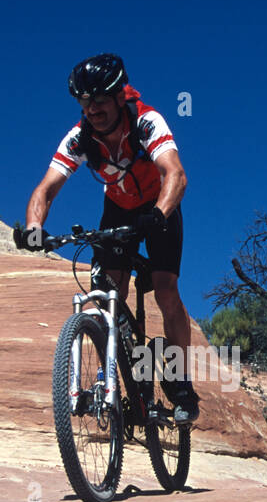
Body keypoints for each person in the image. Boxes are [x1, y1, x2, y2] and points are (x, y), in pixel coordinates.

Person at [14, 53, 199, 422]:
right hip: (117, 209)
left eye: (99, 100)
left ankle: (180, 380)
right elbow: (46, 189)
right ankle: (111, 375)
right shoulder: (81, 137)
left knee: (165, 289)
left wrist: (159, 215)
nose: (91, 109)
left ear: (119, 97)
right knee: (109, 289)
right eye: (84, 101)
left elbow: (175, 174)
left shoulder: (146, 121)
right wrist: (34, 229)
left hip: (159, 206)